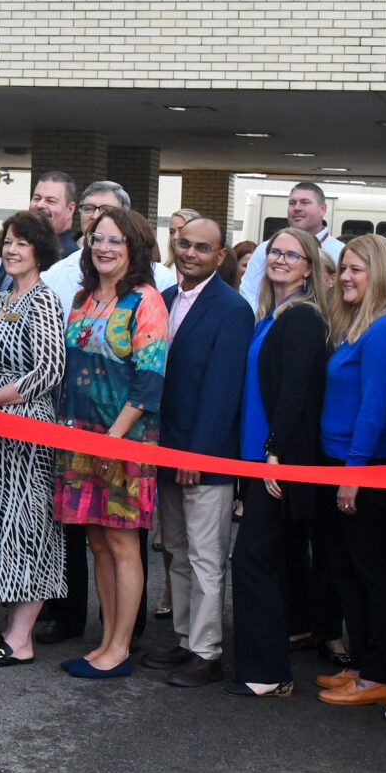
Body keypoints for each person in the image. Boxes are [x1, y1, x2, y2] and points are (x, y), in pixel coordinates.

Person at [52, 205, 167, 678]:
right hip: (78, 437)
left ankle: (120, 648)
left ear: (134, 248)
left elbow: (149, 383)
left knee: (122, 543)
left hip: (124, 440)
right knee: (97, 541)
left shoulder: (145, 301)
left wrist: (112, 440)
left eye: (115, 240)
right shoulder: (82, 296)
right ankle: (104, 642)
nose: (103, 247)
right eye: (97, 238)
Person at [0, 210, 67, 665]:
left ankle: (21, 639)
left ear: (40, 251)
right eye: (7, 241)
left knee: (27, 526)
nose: (12, 249)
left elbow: (48, 371)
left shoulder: (44, 300)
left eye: (22, 243)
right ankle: (9, 630)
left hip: (24, 431)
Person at [150, 216, 254, 687]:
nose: (190, 253)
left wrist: (199, 455)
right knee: (175, 550)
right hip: (166, 450)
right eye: (185, 244)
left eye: (202, 247)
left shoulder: (232, 308)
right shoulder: (164, 299)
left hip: (204, 456)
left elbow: (223, 389)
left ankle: (207, 651)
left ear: (220, 255)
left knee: (206, 557)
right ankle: (185, 637)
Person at [227, 226, 331, 697]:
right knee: (263, 559)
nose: (281, 259)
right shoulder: (271, 315)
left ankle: (269, 673)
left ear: (309, 268)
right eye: (275, 252)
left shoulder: (303, 317)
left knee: (252, 559)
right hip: (255, 460)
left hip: (275, 462)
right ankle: (265, 668)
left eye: (292, 255)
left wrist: (274, 453)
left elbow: (294, 394)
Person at [315, 233, 386, 707]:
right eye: (343, 269)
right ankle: (360, 665)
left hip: (368, 467)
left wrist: (354, 473)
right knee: (348, 570)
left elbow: (374, 408)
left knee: (375, 573)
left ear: (382, 274)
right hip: (341, 462)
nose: (345, 278)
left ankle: (378, 674)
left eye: (357, 269)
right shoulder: (361, 324)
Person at [238, 182, 345, 308]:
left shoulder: (340, 252)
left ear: (323, 209)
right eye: (292, 203)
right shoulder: (265, 249)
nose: (297, 208)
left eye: (305, 202)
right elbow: (249, 292)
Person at [41, 181, 127, 316]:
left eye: (106, 210)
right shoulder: (53, 275)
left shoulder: (156, 277)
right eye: (88, 208)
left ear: (126, 216)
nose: (96, 216)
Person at [30, 170, 79, 259]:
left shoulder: (71, 260)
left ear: (70, 210)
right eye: (37, 198)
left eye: (51, 201)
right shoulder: (17, 249)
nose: (40, 205)